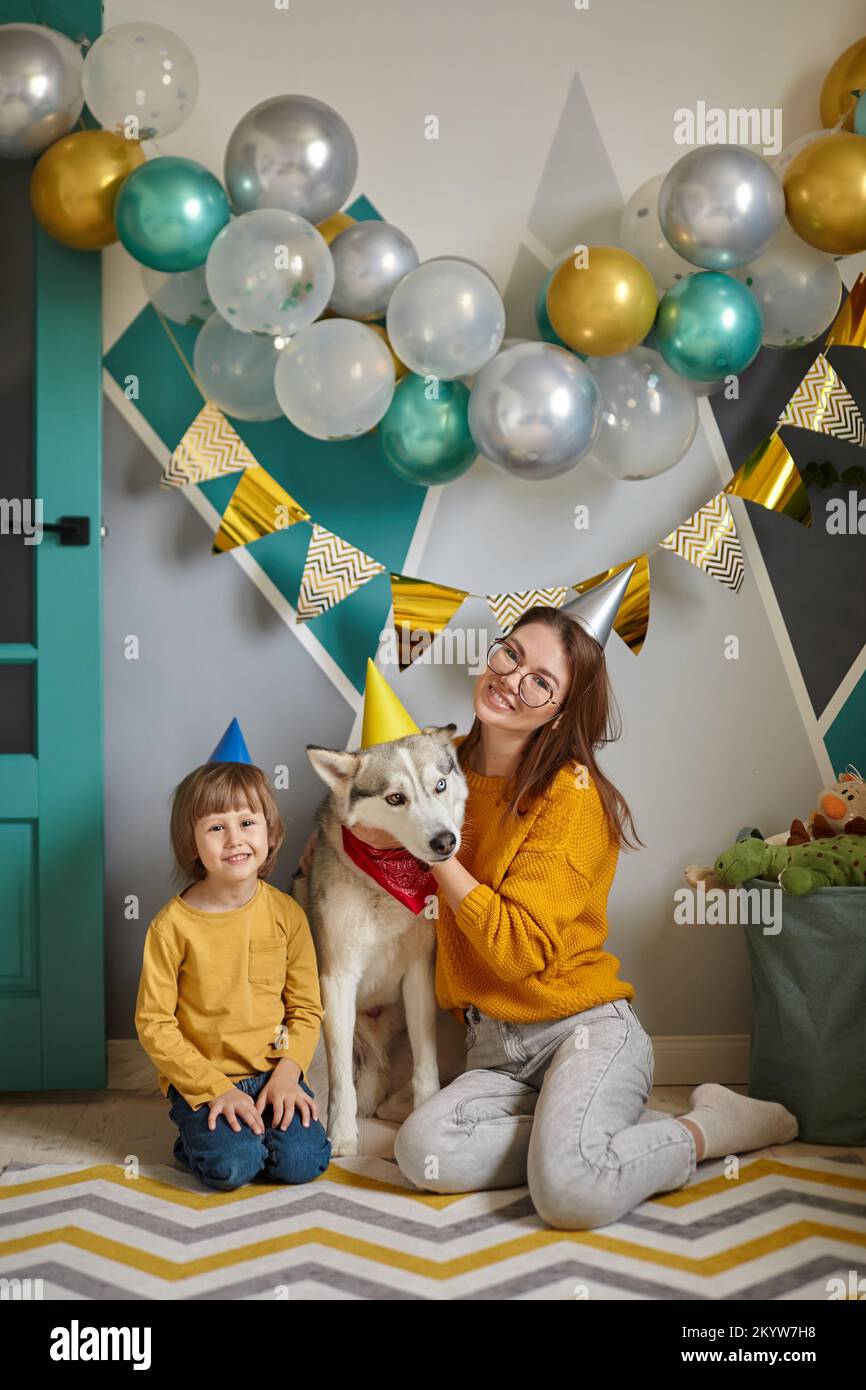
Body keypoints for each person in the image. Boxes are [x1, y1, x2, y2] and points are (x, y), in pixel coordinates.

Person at [297, 606, 797, 1229]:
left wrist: (434, 847)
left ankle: (709, 1126)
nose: (512, 679)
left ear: (559, 710)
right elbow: (364, 807)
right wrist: (339, 844)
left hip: (580, 1028)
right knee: (424, 1153)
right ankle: (585, 1129)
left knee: (571, 1193)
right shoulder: (432, 761)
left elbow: (519, 951)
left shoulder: (571, 796)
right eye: (510, 654)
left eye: (541, 681)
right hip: (491, 1047)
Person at [136, 756, 332, 1191]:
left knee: (304, 1163)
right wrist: (214, 1090)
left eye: (247, 823)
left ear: (270, 832)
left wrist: (287, 1074)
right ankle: (198, 1140)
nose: (234, 839)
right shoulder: (171, 928)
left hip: (272, 1072)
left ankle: (249, 1133)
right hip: (205, 1081)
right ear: (192, 843)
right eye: (215, 827)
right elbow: (154, 1024)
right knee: (232, 1168)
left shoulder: (287, 915)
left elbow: (305, 1008)